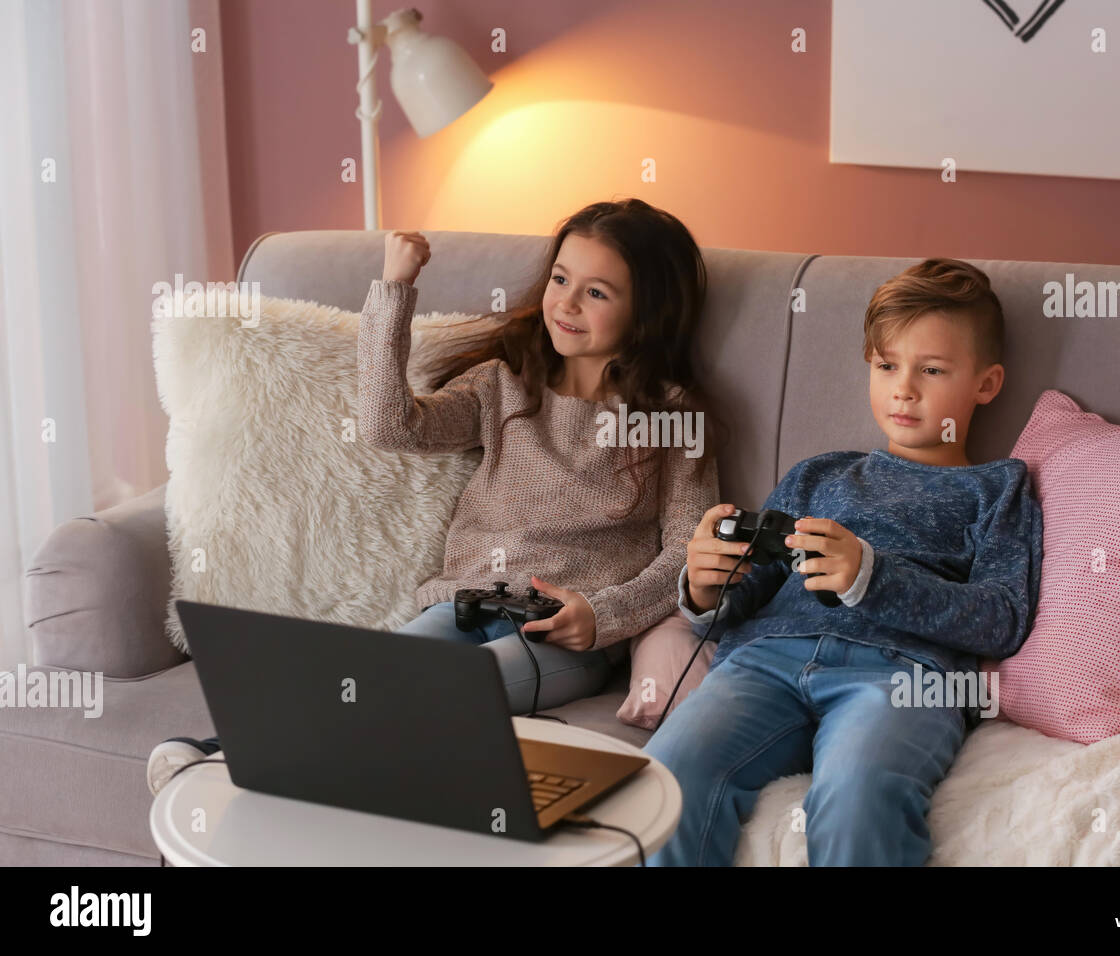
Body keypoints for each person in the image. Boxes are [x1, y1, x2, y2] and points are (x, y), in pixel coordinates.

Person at [147, 199, 720, 796]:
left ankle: (223, 765)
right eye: (560, 279)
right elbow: (391, 426)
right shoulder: (504, 384)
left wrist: (604, 617)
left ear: (647, 312)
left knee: (439, 693)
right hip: (462, 607)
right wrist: (394, 288)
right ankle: (227, 761)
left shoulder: (671, 418)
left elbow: (686, 548)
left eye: (597, 293)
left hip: (559, 636)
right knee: (372, 680)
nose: (567, 303)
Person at [645, 257, 1044, 866]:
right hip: (765, 662)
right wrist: (706, 590)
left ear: (985, 385)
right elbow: (751, 593)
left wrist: (871, 578)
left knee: (859, 793)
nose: (904, 388)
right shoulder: (819, 474)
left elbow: (1001, 618)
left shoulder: (997, 488)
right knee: (667, 780)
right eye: (887, 366)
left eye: (931, 370)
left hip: (900, 678)